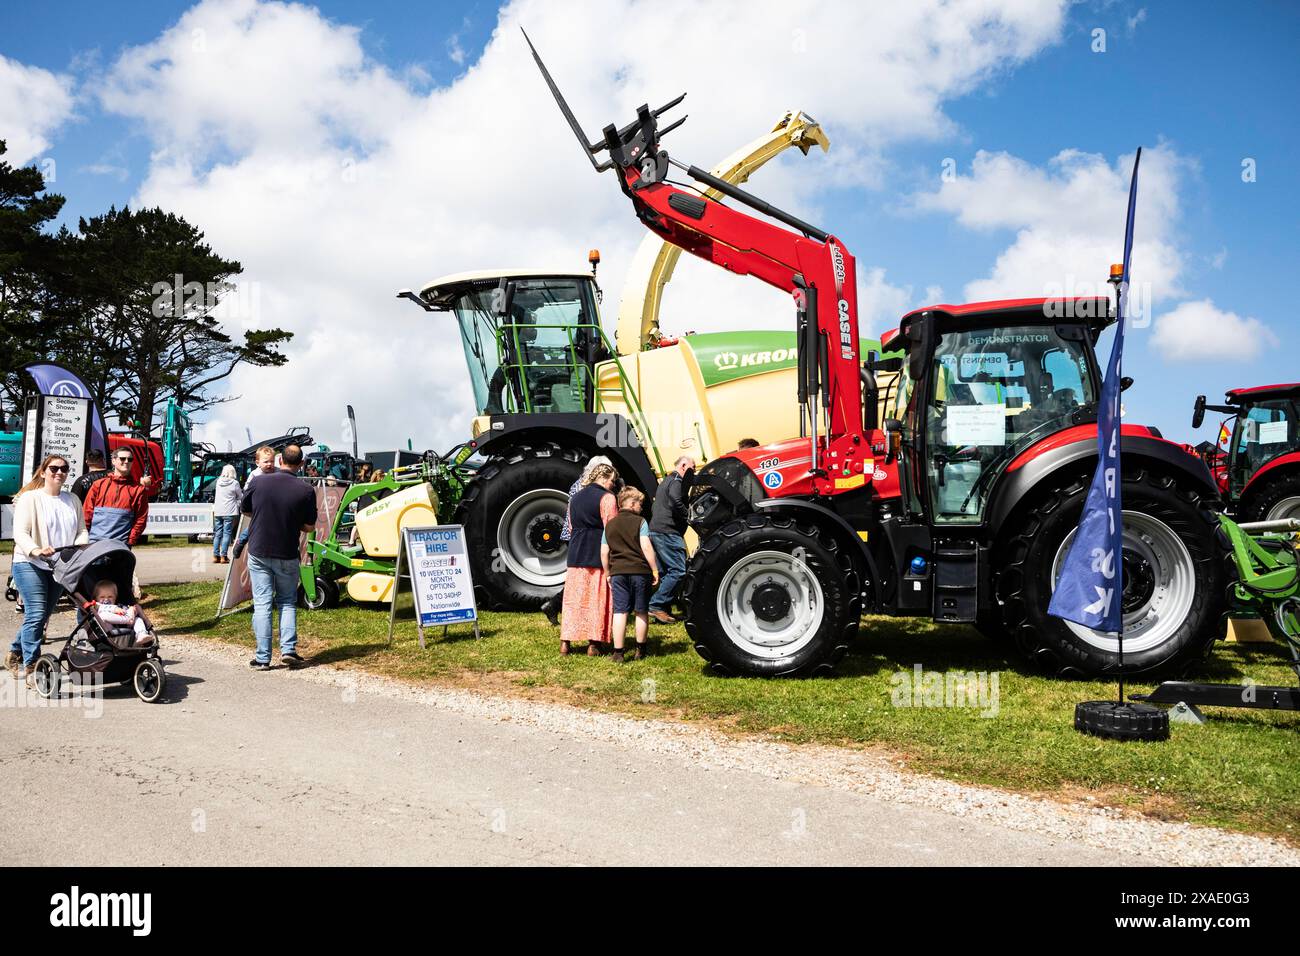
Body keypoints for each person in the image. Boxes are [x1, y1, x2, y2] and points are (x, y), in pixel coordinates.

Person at [6, 456, 89, 684]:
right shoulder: (30, 499)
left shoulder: (72, 499)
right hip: (29, 562)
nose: (59, 472)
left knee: (42, 614)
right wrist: (36, 550)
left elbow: (81, 529)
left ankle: (14, 652)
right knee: (36, 612)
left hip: (59, 565)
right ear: (43, 472)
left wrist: (81, 543)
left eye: (64, 468)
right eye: (53, 468)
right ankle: (32, 666)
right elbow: (20, 533)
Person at [241, 444, 317, 670]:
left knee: (263, 604)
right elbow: (309, 527)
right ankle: (288, 650)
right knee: (287, 602)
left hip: (259, 550)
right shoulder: (306, 490)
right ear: (301, 464)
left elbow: (245, 510)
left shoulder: (258, 482)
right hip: (286, 551)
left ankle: (263, 658)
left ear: (279, 460)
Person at [539, 455, 613, 627]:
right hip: (582, 535)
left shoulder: (580, 483)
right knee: (585, 577)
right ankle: (557, 606)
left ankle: (555, 605)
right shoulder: (586, 487)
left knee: (581, 576)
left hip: (575, 534)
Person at [559, 462, 618, 656]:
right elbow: (612, 528)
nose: (613, 485)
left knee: (573, 600)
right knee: (596, 599)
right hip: (596, 553)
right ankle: (593, 643)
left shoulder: (575, 498)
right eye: (612, 481)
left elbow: (570, 527)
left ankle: (565, 642)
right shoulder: (607, 498)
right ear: (603, 478)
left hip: (576, 553)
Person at [600, 486, 659, 663]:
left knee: (620, 611)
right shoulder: (640, 522)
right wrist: (654, 569)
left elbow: (604, 552)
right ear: (632, 504)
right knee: (641, 610)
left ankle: (618, 652)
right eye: (640, 504)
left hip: (618, 572)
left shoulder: (610, 525)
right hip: (639, 571)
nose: (641, 507)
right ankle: (640, 650)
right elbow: (646, 546)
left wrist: (608, 572)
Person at [648, 455, 695, 624]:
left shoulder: (664, 482)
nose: (693, 472)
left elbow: (656, 506)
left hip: (656, 530)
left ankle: (663, 612)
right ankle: (656, 605)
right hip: (668, 531)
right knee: (678, 570)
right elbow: (676, 500)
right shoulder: (676, 480)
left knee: (665, 572)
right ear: (683, 465)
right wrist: (689, 515)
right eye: (692, 468)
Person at [83, 447, 149, 546]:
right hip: (94, 545)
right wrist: (84, 538)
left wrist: (130, 541)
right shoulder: (98, 485)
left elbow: (141, 519)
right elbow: (87, 514)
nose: (126, 462)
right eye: (122, 458)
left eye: (130, 459)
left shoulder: (139, 490)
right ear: (113, 461)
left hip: (120, 547)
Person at [231, 447, 277, 560]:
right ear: (258, 463)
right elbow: (247, 489)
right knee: (257, 523)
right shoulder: (255, 474)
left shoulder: (276, 472)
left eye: (271, 461)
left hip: (273, 504)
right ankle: (241, 540)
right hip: (259, 503)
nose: (269, 464)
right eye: (266, 462)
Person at [90, 579, 154, 647]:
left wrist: (132, 610)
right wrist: (114, 609)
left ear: (115, 597)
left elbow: (128, 611)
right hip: (109, 631)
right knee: (102, 615)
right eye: (102, 597)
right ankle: (128, 619)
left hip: (125, 627)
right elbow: (102, 608)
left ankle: (141, 634)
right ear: (96, 598)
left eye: (110, 597)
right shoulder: (97, 605)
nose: (106, 599)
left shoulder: (119, 605)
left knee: (138, 619)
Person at [211, 464, 243, 564]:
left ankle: (215, 556)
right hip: (229, 511)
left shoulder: (218, 481)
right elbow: (240, 496)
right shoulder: (235, 483)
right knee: (227, 533)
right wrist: (237, 502)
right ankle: (223, 556)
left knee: (217, 534)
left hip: (218, 511)